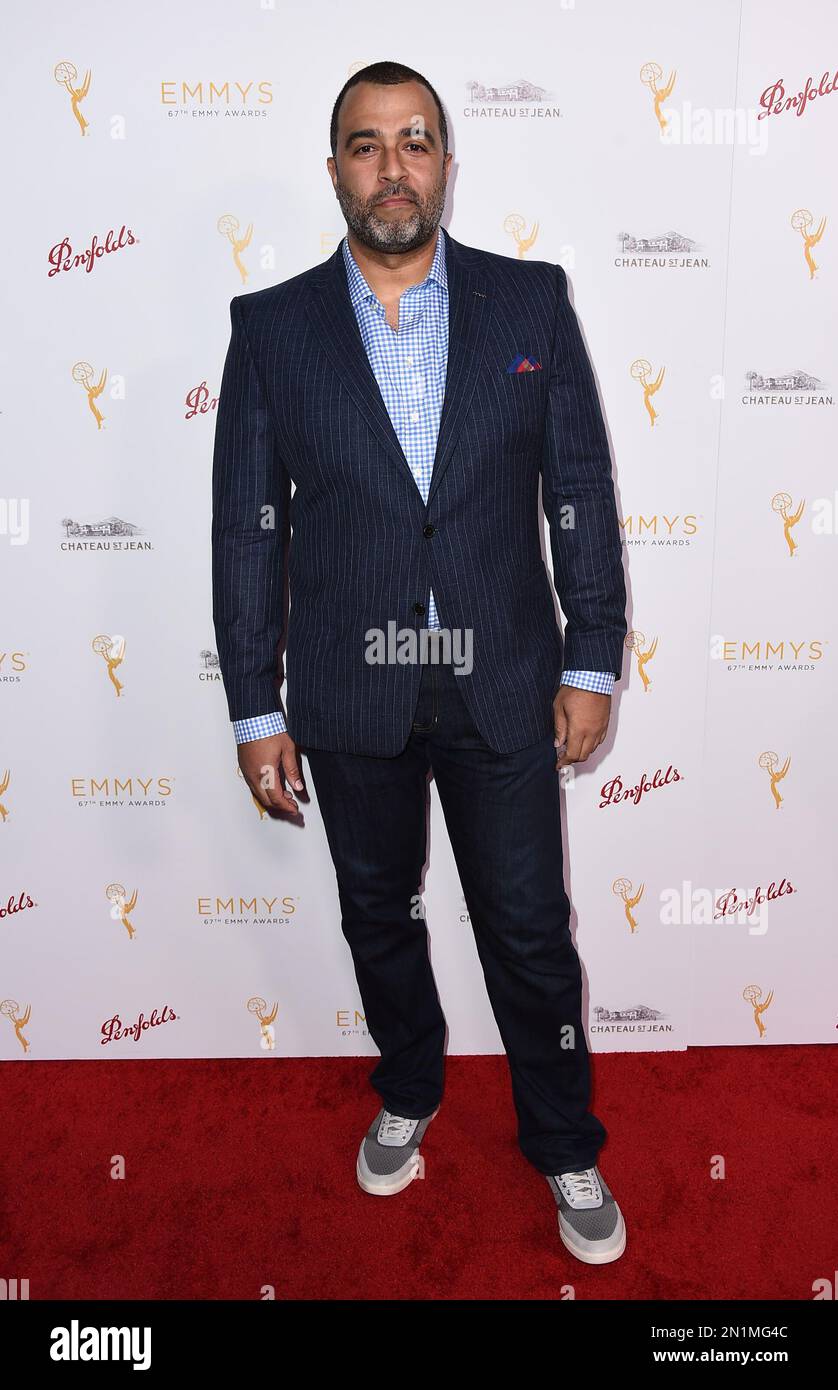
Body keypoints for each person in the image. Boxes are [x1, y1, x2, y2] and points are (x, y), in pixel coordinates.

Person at [211, 60, 628, 1265]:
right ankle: (410, 1082)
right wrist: (253, 705)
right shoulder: (271, 328)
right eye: (364, 144)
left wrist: (590, 656)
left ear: (446, 161)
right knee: (379, 917)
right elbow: (250, 526)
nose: (391, 167)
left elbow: (581, 491)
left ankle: (563, 1143)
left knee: (527, 930)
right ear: (334, 166)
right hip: (352, 686)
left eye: (414, 142)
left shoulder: (529, 303)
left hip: (500, 677)